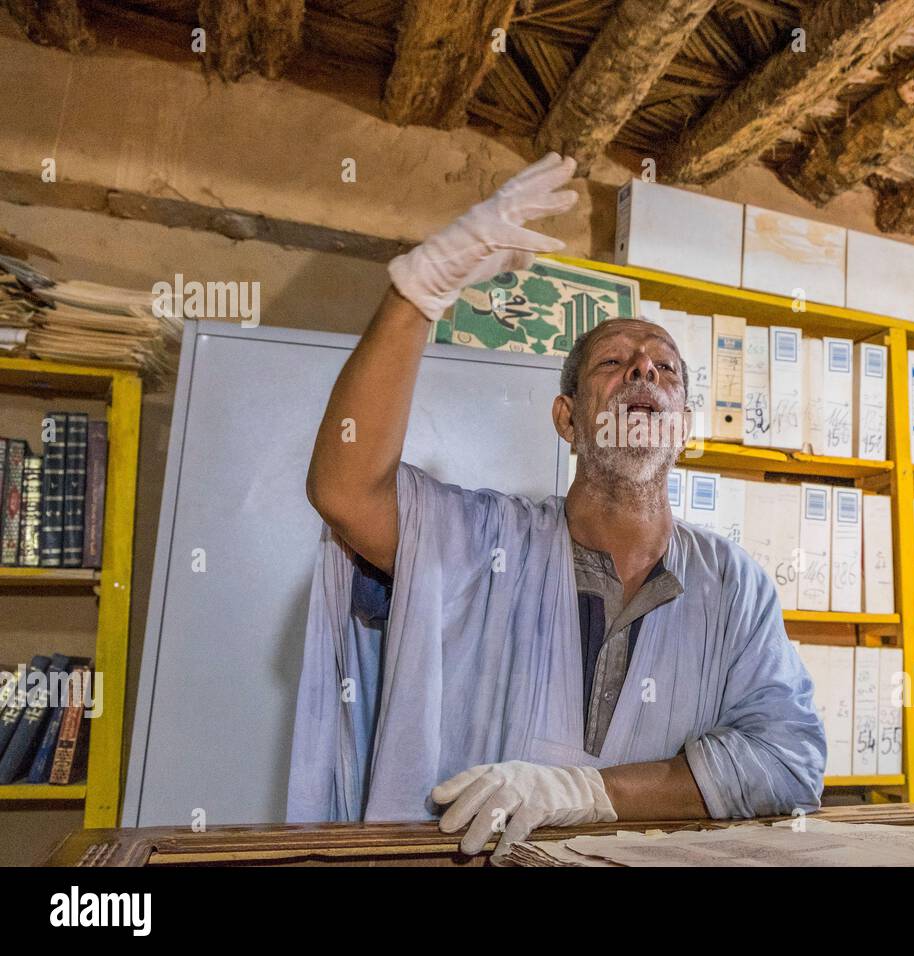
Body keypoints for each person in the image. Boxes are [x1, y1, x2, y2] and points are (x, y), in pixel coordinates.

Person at [292, 152, 825, 863]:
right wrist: (416, 293)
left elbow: (788, 764)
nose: (643, 369)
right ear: (567, 420)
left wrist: (590, 792)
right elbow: (343, 490)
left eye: (664, 369)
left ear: (685, 430)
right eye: (615, 363)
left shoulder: (734, 585)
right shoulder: (483, 539)